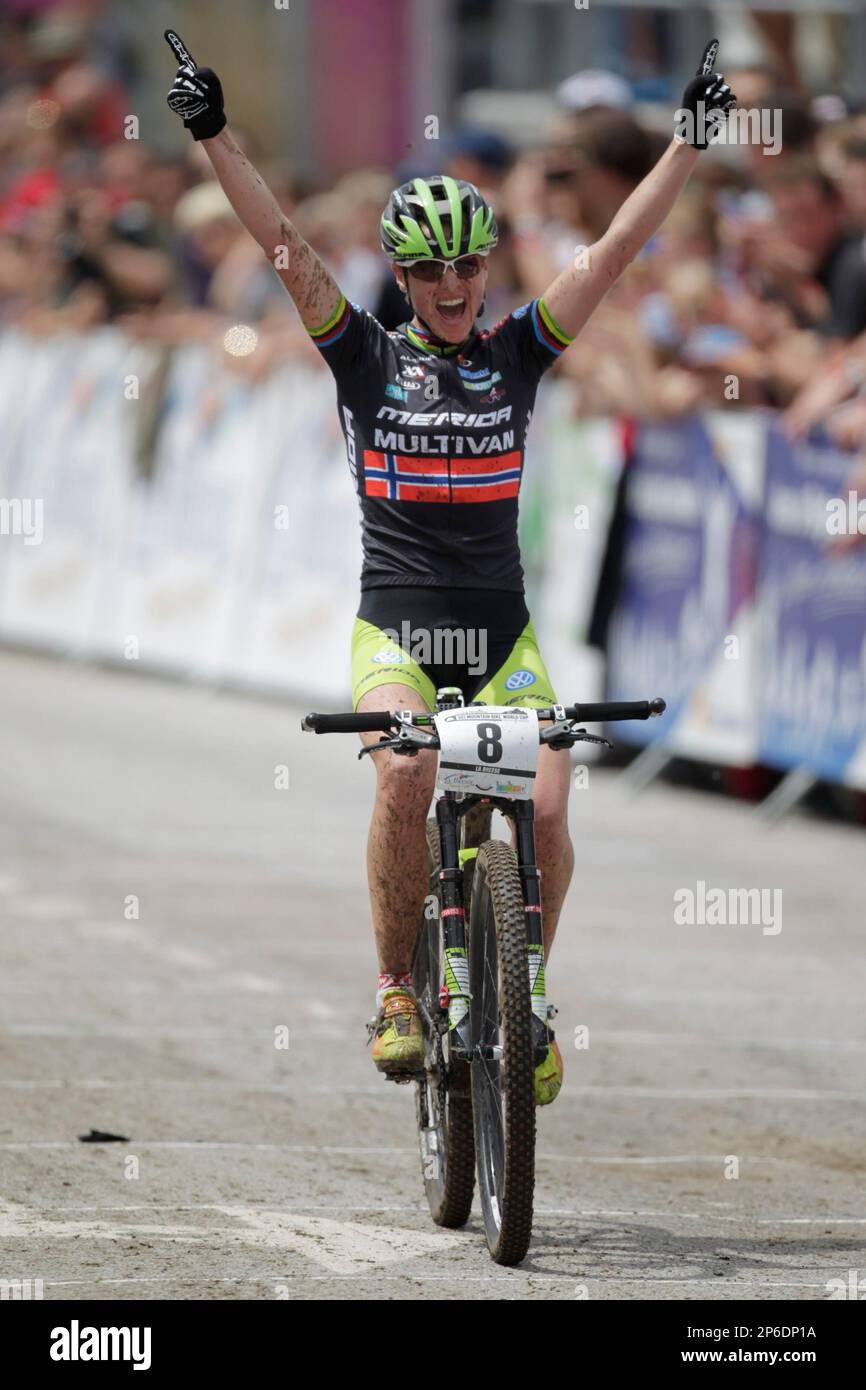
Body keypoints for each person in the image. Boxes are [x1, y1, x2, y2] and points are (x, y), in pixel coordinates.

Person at [164, 31, 735, 1105]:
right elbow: (283, 243)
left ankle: (525, 992)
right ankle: (392, 987)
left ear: (485, 267)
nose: (449, 284)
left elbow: (610, 251)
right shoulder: (363, 355)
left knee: (553, 806)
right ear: (405, 275)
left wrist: (687, 146)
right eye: (427, 268)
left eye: (465, 264)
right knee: (406, 775)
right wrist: (213, 134)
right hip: (398, 629)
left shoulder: (519, 352)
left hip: (501, 632)